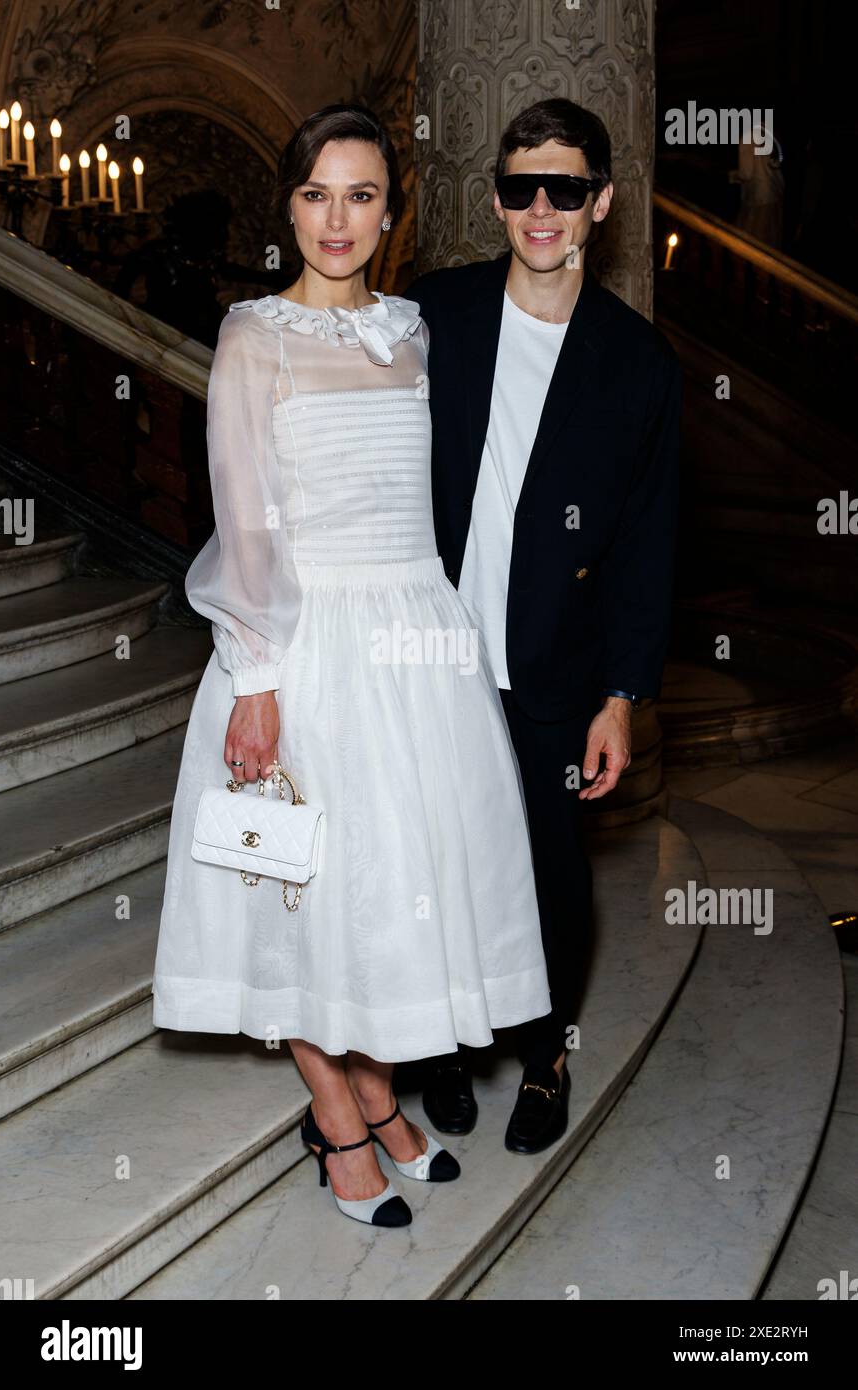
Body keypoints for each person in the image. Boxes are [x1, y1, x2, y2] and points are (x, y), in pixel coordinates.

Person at [151, 104, 552, 1229]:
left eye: (363, 195)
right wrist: (259, 674)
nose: (339, 220)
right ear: (288, 206)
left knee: (387, 896)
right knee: (302, 898)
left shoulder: (414, 332)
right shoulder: (253, 335)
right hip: (305, 642)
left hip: (418, 640)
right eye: (318, 194)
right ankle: (338, 1115)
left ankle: (377, 1094)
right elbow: (246, 518)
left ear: (393, 209)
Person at [403, 97, 682, 1155]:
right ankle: (435, 1048)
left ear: (600, 203)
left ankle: (546, 1054)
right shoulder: (436, 314)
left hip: (550, 666)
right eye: (521, 187)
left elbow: (647, 545)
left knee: (546, 867)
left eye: (565, 188)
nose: (541, 209)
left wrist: (622, 697)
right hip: (424, 651)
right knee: (433, 860)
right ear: (499, 199)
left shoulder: (638, 366)